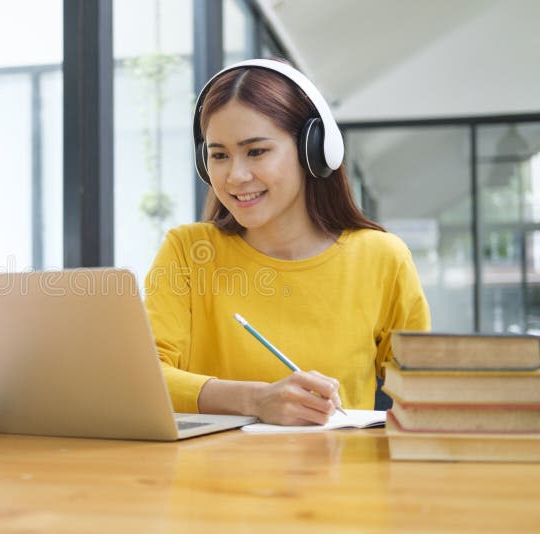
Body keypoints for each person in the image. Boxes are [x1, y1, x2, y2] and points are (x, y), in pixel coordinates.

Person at [143, 58, 431, 426]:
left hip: (340, 476)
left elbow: (424, 393)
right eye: (219, 155)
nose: (236, 176)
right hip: (212, 478)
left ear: (313, 150)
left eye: (256, 151)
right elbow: (145, 378)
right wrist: (256, 399)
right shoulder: (188, 251)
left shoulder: (381, 257)